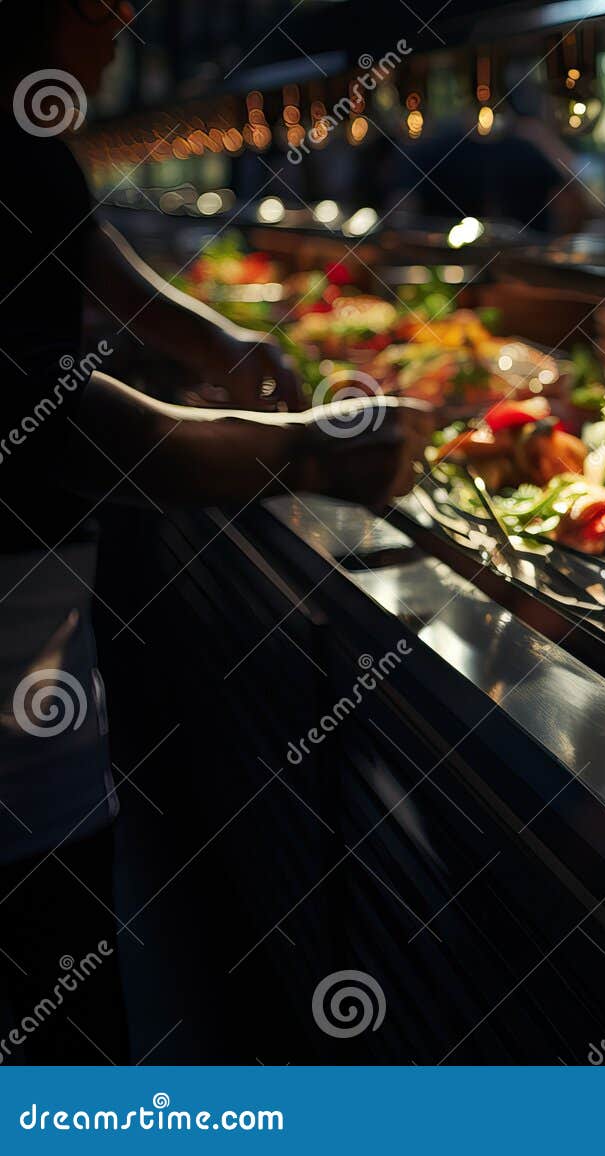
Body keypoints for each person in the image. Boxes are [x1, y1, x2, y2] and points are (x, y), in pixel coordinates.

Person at [1, 1, 430, 1062]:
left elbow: (69, 243)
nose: (118, 27)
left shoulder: (21, 136)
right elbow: (53, 420)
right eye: (98, 6)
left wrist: (208, 333)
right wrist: (304, 449)